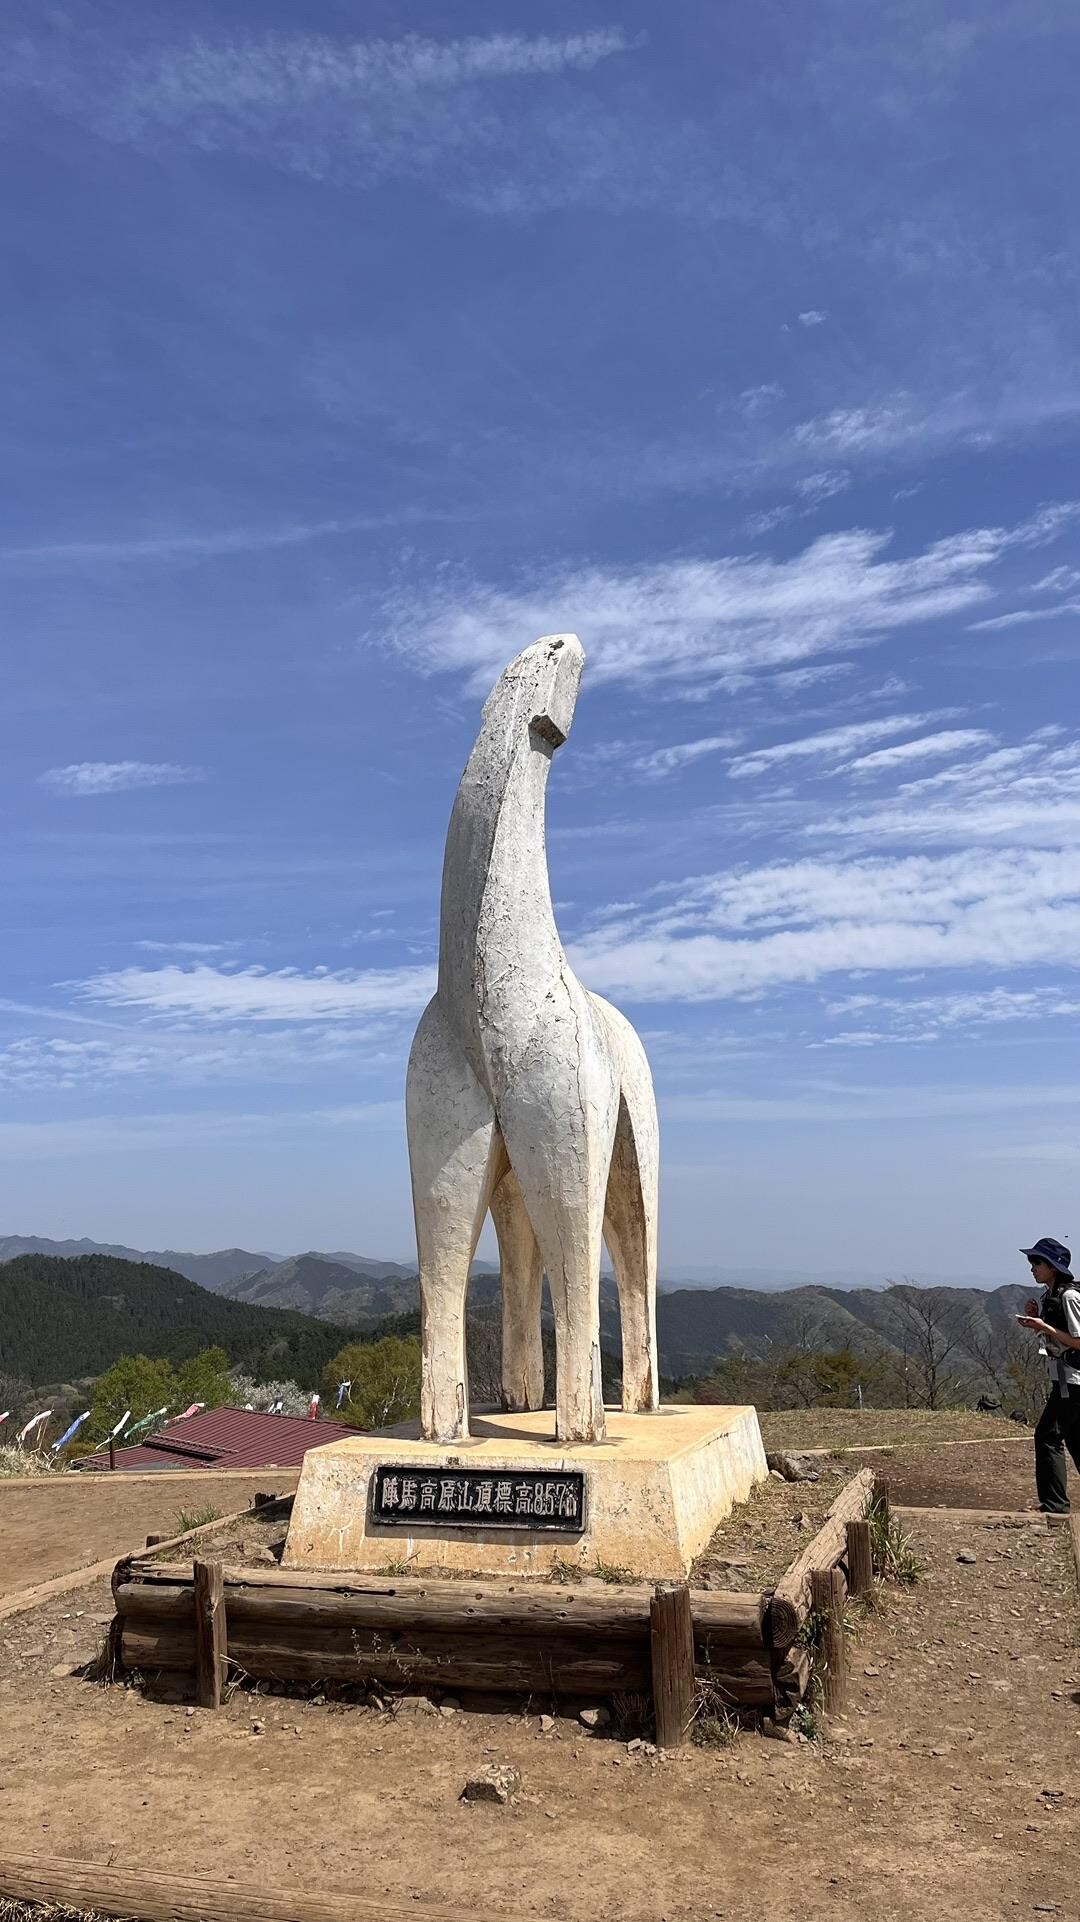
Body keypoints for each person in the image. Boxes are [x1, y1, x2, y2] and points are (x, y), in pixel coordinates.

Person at [1017, 1236, 1080, 1514]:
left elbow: (1078, 1341)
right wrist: (1038, 1322)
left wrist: (1045, 1326)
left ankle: (1054, 1506)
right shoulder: (1051, 1296)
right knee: (1073, 1439)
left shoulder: (1069, 1296)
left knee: (1047, 1435)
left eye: (1037, 1262)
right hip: (1065, 1378)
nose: (1032, 1268)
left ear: (1053, 1267)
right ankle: (1055, 1505)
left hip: (1074, 1381)